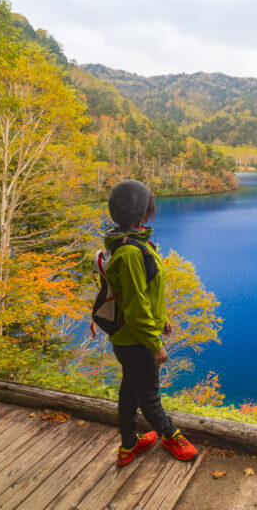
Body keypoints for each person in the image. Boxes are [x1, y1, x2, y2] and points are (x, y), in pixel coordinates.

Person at [104, 179, 198, 466]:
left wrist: (163, 319)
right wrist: (155, 344)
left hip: (131, 336)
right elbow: (135, 307)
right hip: (135, 339)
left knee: (129, 391)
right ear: (142, 212)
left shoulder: (131, 241)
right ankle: (170, 435)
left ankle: (128, 446)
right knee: (149, 395)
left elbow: (146, 293)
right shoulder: (132, 251)